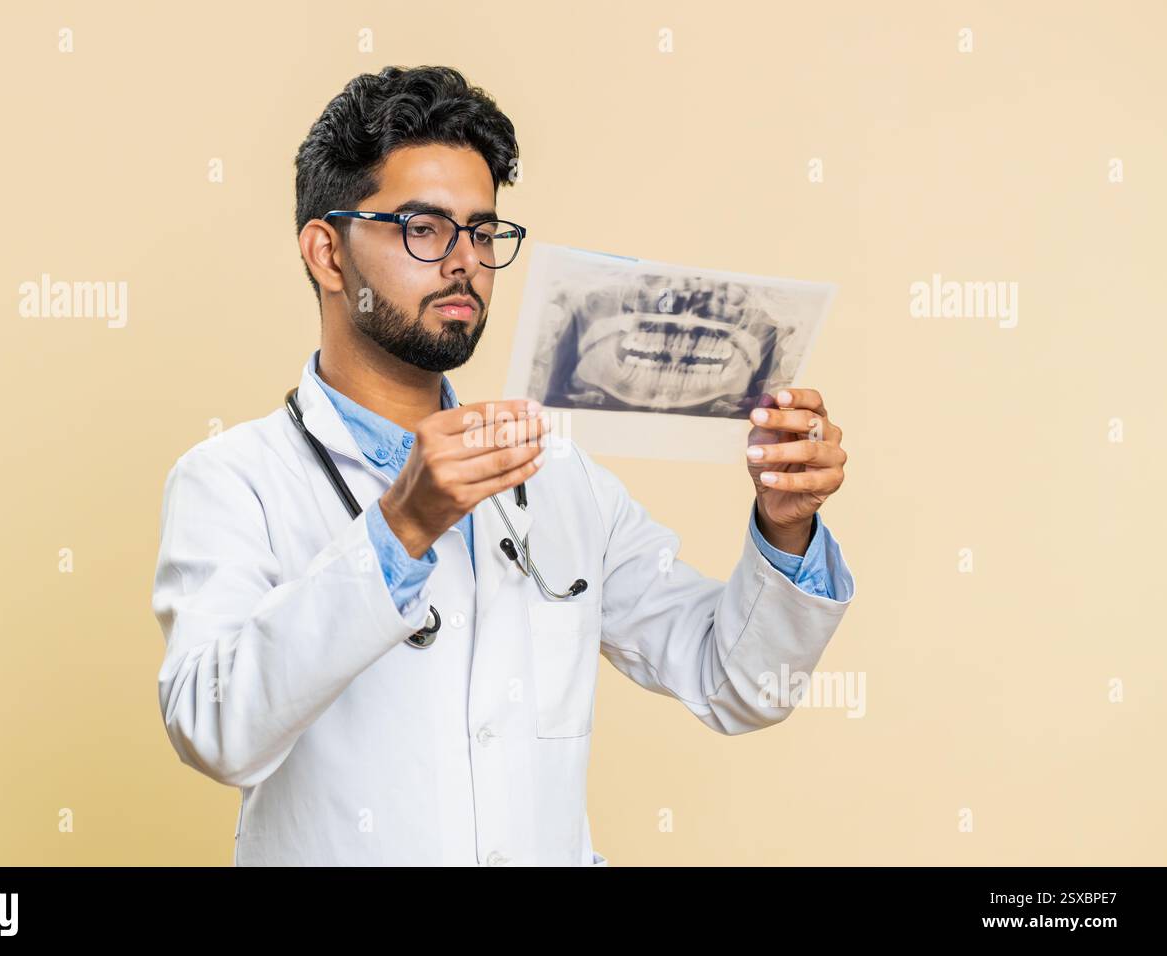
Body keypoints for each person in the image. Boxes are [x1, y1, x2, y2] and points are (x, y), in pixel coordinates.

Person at [151, 65, 855, 867]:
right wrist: (400, 529)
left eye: (483, 232)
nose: (464, 262)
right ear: (328, 252)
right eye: (424, 227)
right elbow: (213, 730)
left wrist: (785, 523)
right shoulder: (233, 478)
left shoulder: (556, 474)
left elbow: (738, 684)